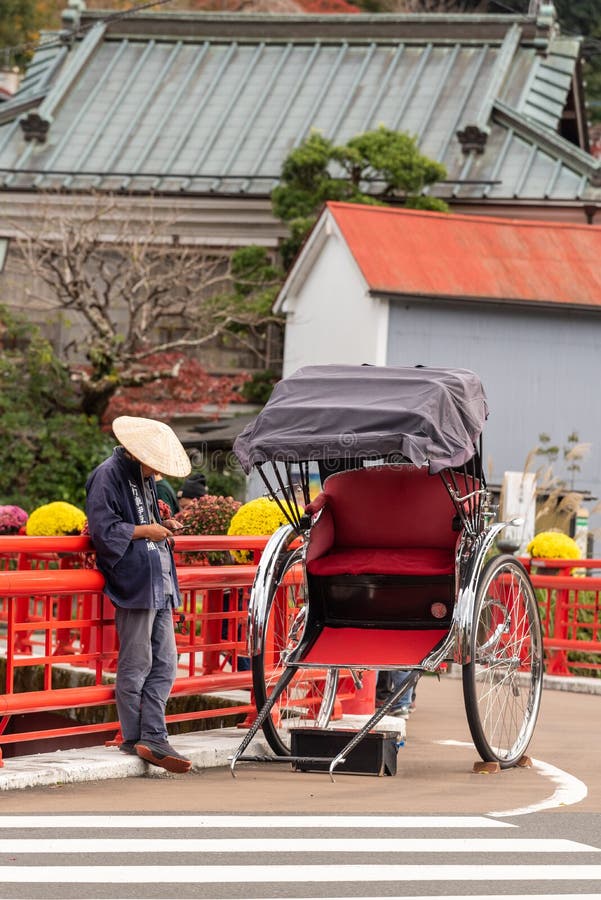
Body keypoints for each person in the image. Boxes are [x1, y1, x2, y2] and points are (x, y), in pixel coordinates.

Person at [85, 415, 193, 774]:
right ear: (137, 452)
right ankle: (137, 736)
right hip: (135, 580)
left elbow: (140, 526)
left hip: (159, 578)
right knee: (137, 662)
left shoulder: (142, 477)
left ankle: (153, 734)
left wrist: (163, 527)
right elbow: (104, 529)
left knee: (166, 662)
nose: (157, 472)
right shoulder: (108, 474)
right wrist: (148, 529)